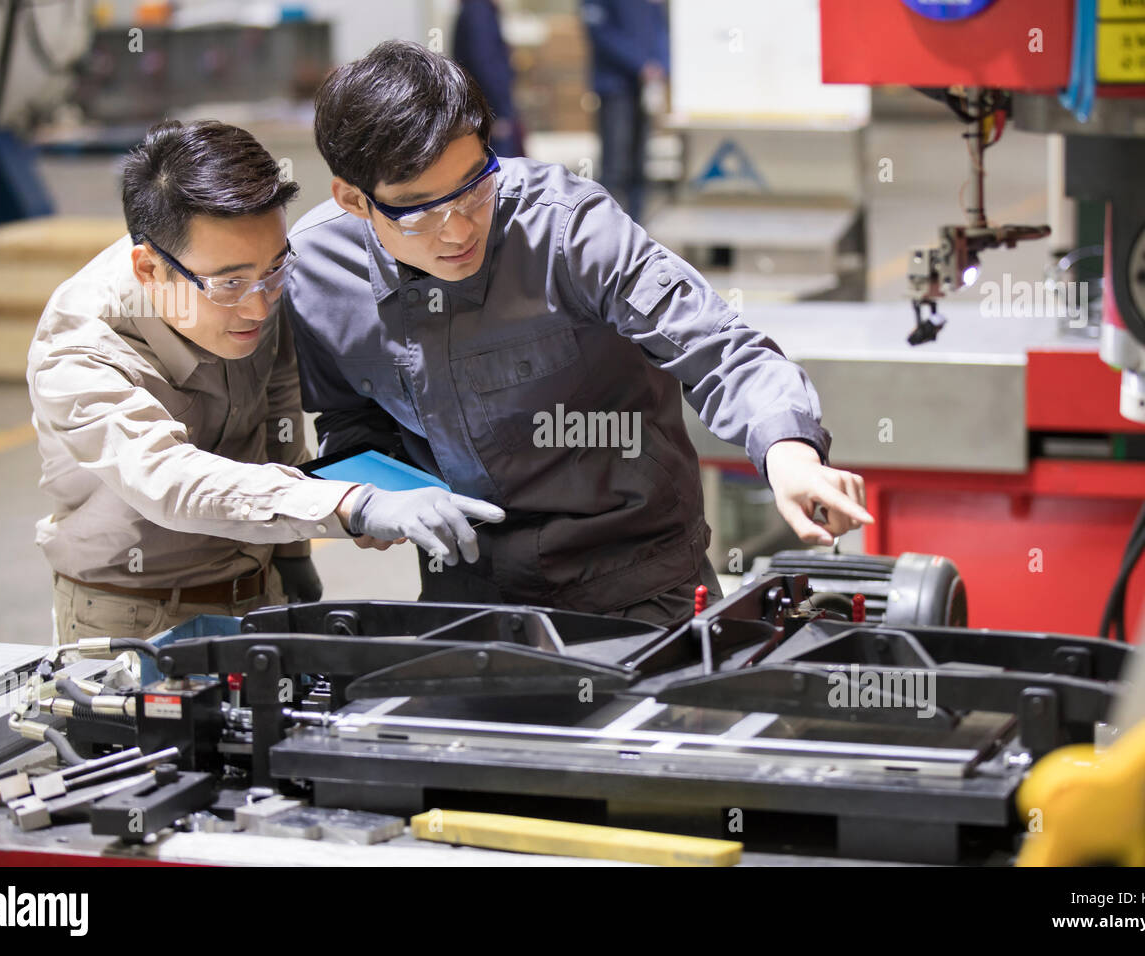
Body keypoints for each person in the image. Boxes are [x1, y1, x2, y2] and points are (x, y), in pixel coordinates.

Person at [284, 41, 871, 631]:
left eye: (474, 186)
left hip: (637, 584)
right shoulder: (317, 270)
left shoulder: (568, 228)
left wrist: (788, 451)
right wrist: (373, 500)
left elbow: (718, 348)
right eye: (420, 212)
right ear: (354, 200)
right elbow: (348, 416)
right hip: (467, 593)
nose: (459, 228)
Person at [28, 119, 497, 644]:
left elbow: (276, 414)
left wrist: (291, 552)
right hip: (129, 613)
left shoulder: (250, 280)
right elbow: (168, 480)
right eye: (230, 283)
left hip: (259, 589)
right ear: (148, 269)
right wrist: (351, 505)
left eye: (275, 270)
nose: (258, 305)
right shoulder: (78, 349)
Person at [581, 0, 669, 220]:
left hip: (644, 88)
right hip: (615, 88)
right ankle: (606, 233)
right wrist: (640, 65)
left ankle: (637, 231)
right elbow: (600, 32)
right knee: (615, 168)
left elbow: (659, 27)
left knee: (639, 167)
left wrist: (661, 66)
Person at [452, 0, 524, 158]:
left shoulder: (476, 9)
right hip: (489, 113)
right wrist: (499, 113)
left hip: (484, 111)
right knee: (499, 169)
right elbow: (486, 64)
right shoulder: (478, 11)